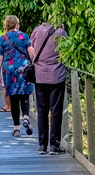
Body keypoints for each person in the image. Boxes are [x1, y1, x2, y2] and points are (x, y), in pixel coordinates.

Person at [29, 19, 68, 155]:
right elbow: (65, 52)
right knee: (56, 110)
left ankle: (42, 145)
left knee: (42, 111)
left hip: (39, 76)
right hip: (56, 75)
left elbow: (32, 50)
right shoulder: (61, 33)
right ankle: (54, 144)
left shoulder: (37, 30)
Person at [0, 15, 33, 138]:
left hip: (10, 72)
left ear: (6, 24)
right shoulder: (24, 36)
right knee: (25, 96)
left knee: (14, 100)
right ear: (17, 24)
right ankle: (26, 117)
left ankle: (16, 128)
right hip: (24, 70)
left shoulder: (3, 38)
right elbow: (31, 52)